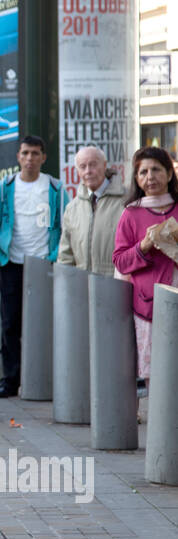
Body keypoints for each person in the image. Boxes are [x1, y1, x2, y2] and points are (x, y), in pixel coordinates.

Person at [0, 135, 67, 398]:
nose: (30, 158)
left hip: (44, 265)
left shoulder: (54, 187)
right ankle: (11, 379)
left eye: (35, 153)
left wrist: (54, 255)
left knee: (45, 323)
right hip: (12, 263)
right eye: (25, 153)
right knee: (10, 323)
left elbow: (65, 225)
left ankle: (45, 378)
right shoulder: (5, 187)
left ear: (43, 157)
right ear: (18, 157)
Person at [113, 146, 178, 390]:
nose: (150, 177)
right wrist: (144, 246)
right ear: (136, 179)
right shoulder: (131, 213)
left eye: (156, 170)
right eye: (143, 172)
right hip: (146, 304)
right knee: (157, 377)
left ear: (169, 175)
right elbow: (120, 260)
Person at [57, 146, 125, 276]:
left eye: (93, 165)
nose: (88, 171)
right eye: (83, 166)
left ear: (104, 165)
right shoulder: (72, 209)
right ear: (77, 171)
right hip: (81, 287)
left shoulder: (126, 202)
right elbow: (66, 256)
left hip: (116, 285)